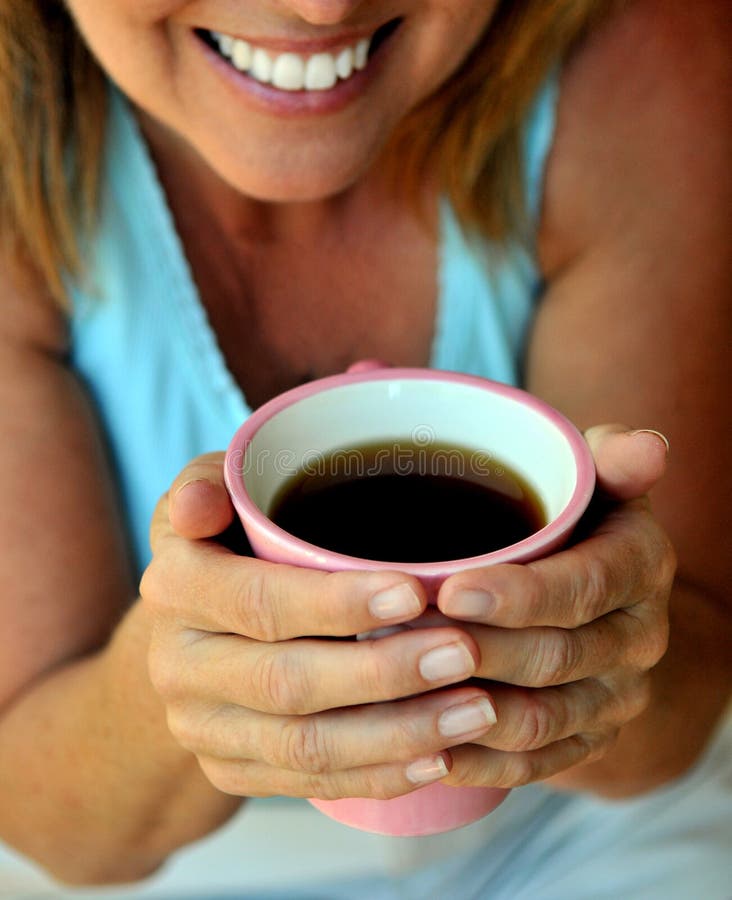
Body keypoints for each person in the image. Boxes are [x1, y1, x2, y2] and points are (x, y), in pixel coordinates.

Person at [0, 0, 730, 897]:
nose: (320, 8)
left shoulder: (635, 54)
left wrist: (607, 650)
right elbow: (55, 832)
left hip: (572, 835)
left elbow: (686, 719)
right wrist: (194, 672)